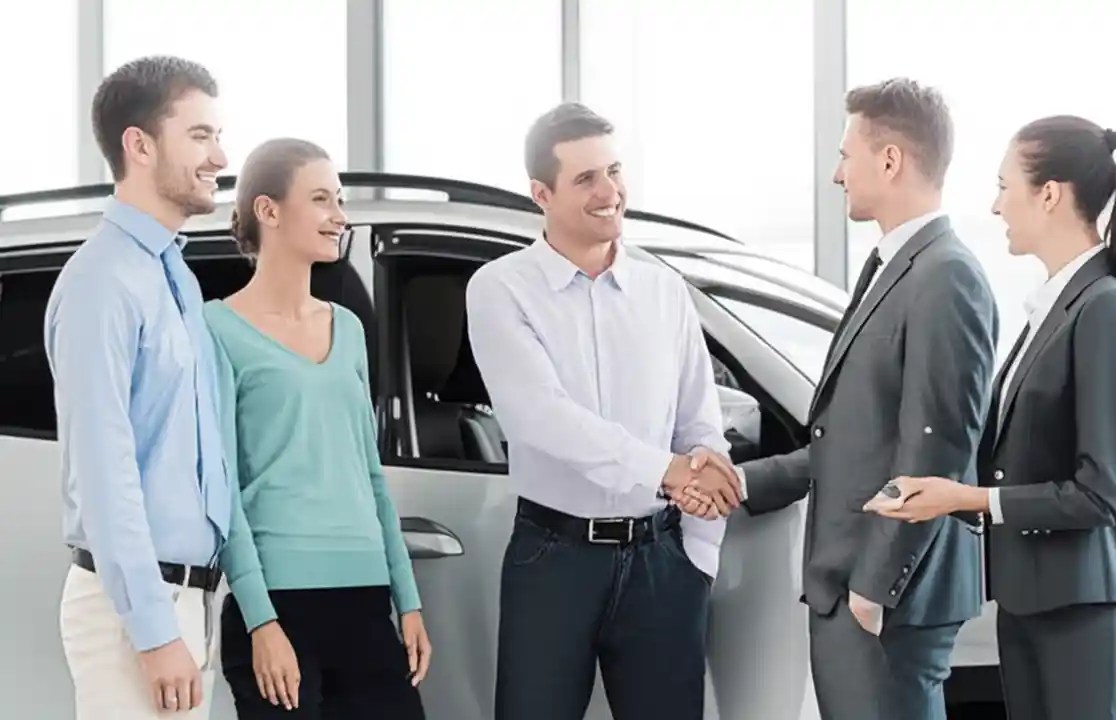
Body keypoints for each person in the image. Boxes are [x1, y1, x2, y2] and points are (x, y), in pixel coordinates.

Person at [691, 78, 998, 719]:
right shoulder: (898, 266)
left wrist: (873, 588)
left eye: (845, 154)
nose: (836, 175)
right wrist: (744, 482)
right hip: (858, 591)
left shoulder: (946, 277)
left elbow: (936, 446)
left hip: (885, 598)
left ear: (890, 161)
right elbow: (855, 440)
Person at [868, 115, 1116, 720]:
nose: (996, 206)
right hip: (1031, 605)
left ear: (1049, 194)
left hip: (1083, 611)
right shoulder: (1051, 308)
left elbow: (1105, 493)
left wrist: (966, 499)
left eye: (1004, 186)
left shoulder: (1104, 309)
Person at [465, 102, 742, 720]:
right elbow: (540, 415)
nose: (610, 191)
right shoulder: (499, 288)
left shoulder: (662, 289)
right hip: (554, 559)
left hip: (663, 562)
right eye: (586, 178)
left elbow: (699, 419)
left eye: (615, 171)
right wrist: (669, 471)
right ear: (542, 193)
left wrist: (700, 543)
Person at [205, 138, 429, 719]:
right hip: (280, 605)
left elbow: (371, 477)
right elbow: (220, 488)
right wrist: (262, 621)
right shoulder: (215, 328)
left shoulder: (349, 328)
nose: (340, 216)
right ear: (268, 210)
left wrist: (407, 602)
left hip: (365, 604)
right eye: (323, 199)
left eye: (340, 200)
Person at [45, 55, 232, 718]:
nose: (221, 155)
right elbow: (105, 472)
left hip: (189, 602)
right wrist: (155, 632)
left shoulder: (171, 274)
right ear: (140, 145)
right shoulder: (104, 281)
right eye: (202, 135)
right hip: (139, 612)